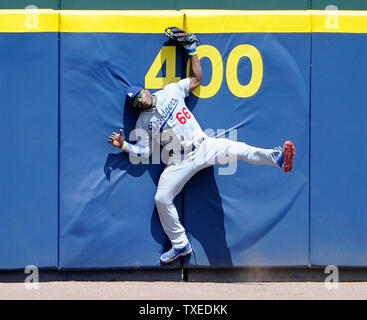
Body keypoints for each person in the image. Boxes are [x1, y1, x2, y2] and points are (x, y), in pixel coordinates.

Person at [108, 30, 295, 264]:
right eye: (135, 101)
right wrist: (124, 144)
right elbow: (144, 152)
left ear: (145, 91)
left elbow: (197, 79)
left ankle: (276, 157)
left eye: (139, 96)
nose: (139, 101)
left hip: (204, 146)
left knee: (241, 149)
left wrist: (191, 50)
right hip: (179, 161)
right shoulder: (142, 122)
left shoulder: (170, 91)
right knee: (162, 198)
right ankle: (180, 245)